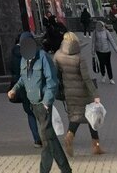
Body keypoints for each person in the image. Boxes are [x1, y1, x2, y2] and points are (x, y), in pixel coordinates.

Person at [8, 31, 71, 173]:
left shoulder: (42, 56)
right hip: (33, 104)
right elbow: (23, 79)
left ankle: (44, 170)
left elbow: (52, 80)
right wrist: (14, 89)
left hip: (43, 104)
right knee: (50, 139)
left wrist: (47, 102)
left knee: (47, 141)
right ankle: (66, 169)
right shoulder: (24, 59)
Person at [54, 31, 103, 156]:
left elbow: (56, 75)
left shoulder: (58, 55)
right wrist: (95, 94)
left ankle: (69, 136)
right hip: (83, 92)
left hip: (69, 92)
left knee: (75, 116)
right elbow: (86, 78)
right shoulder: (79, 57)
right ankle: (96, 147)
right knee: (92, 117)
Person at [9, 36, 41, 147]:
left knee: (30, 113)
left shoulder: (13, 54)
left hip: (22, 88)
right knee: (41, 113)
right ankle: (46, 137)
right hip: (35, 86)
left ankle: (37, 139)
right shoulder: (33, 54)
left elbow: (13, 70)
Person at [91, 19, 117, 84]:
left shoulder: (106, 32)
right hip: (99, 51)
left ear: (103, 26)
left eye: (101, 26)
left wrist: (116, 49)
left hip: (107, 51)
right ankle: (103, 75)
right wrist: (93, 51)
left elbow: (112, 40)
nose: (99, 27)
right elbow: (93, 42)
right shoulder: (95, 32)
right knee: (101, 63)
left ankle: (111, 78)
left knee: (108, 64)